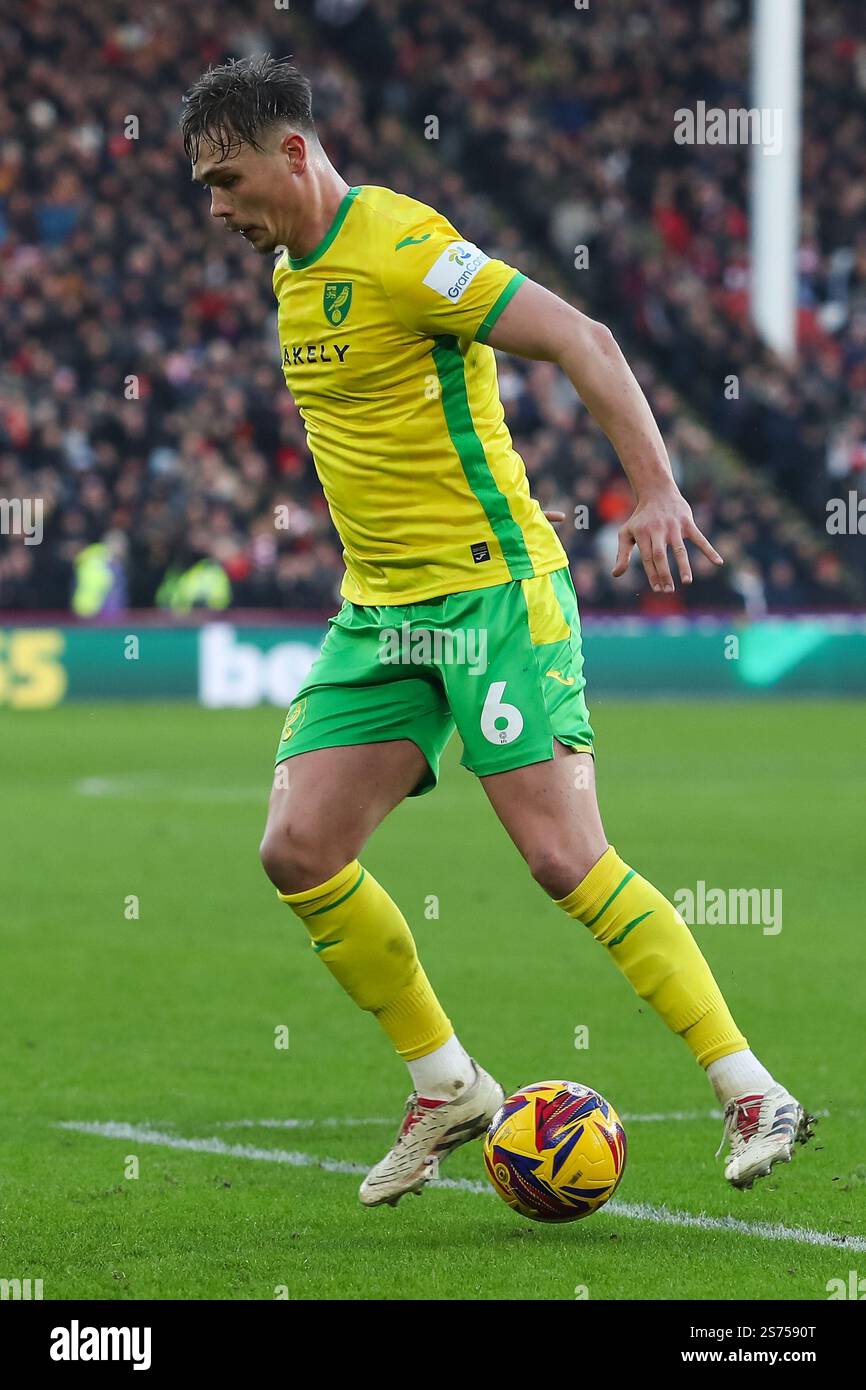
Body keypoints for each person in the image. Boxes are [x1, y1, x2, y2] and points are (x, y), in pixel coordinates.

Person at [180, 55, 813, 1208]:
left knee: (562, 857)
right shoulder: (289, 268)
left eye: (226, 179)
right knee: (297, 848)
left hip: (488, 595)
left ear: (291, 154)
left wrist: (656, 489)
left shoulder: (405, 247)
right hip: (383, 615)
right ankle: (448, 1083)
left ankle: (749, 1088)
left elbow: (586, 339)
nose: (215, 208)